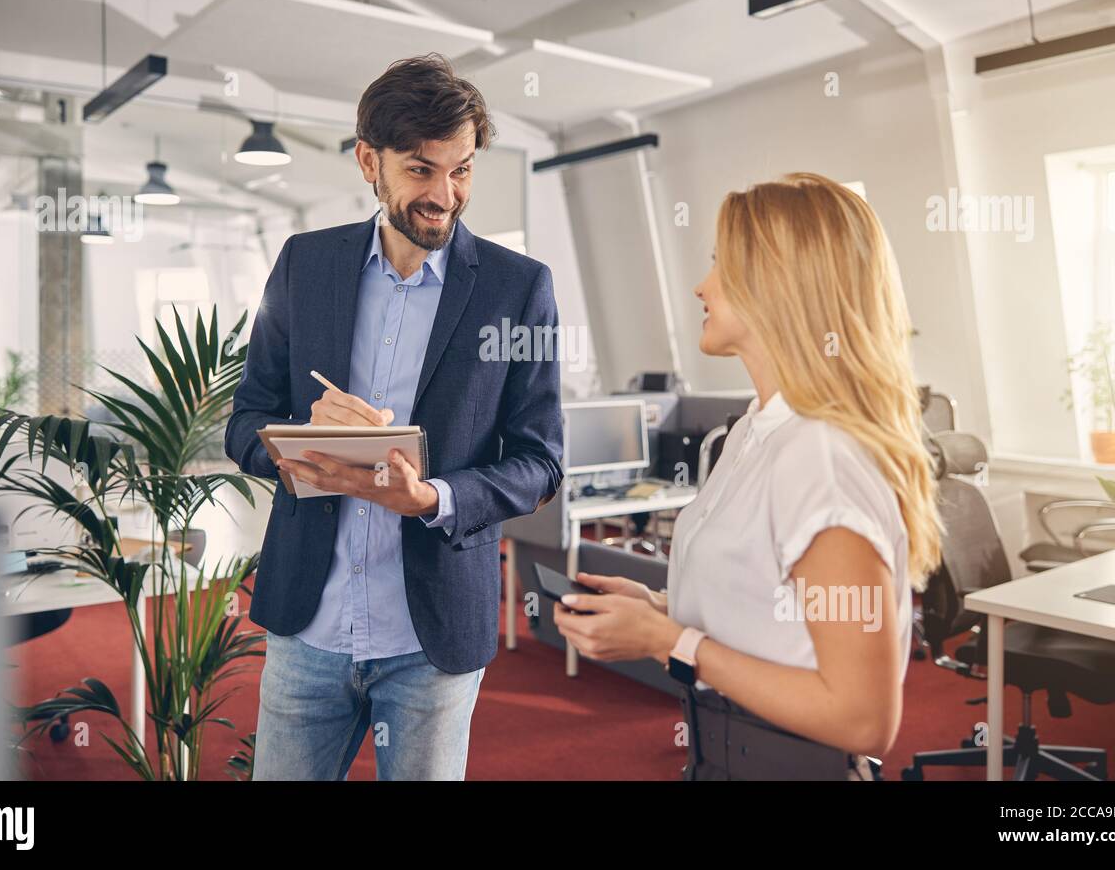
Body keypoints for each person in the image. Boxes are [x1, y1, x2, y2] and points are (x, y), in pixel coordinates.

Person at [225, 55, 563, 780]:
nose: (445, 195)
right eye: (421, 170)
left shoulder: (519, 288)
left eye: (463, 170)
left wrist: (432, 498)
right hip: (308, 627)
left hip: (431, 637)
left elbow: (541, 462)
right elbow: (246, 417)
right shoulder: (303, 265)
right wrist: (296, 447)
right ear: (369, 162)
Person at [554, 173, 940, 780]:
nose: (700, 286)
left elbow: (863, 718)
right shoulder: (755, 430)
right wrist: (659, 609)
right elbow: (772, 612)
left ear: (776, 287)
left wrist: (668, 642)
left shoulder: (824, 456)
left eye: (719, 265)